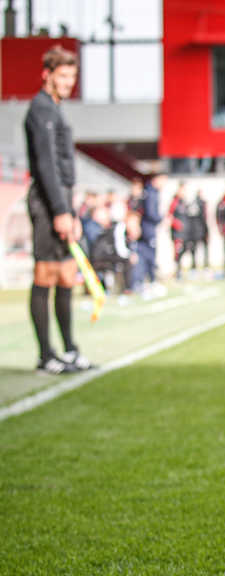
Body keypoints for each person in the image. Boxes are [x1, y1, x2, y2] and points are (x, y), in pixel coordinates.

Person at [23, 45, 92, 374]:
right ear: (47, 75)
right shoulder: (40, 109)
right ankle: (46, 356)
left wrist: (71, 211)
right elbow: (46, 165)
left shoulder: (55, 109)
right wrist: (60, 210)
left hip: (62, 201)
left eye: (71, 76)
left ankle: (70, 350)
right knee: (46, 274)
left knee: (67, 275)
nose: (68, 82)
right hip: (47, 202)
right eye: (62, 76)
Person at [168, 181, 189, 280]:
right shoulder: (175, 201)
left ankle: (179, 270)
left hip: (184, 232)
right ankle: (177, 272)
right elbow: (169, 215)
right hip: (177, 233)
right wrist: (177, 224)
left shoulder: (184, 202)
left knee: (185, 249)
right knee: (178, 251)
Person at [186, 188, 210, 273]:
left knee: (196, 249)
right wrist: (206, 230)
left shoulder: (192, 203)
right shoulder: (201, 203)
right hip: (200, 229)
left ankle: (195, 267)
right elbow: (203, 218)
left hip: (195, 230)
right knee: (199, 248)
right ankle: (203, 266)